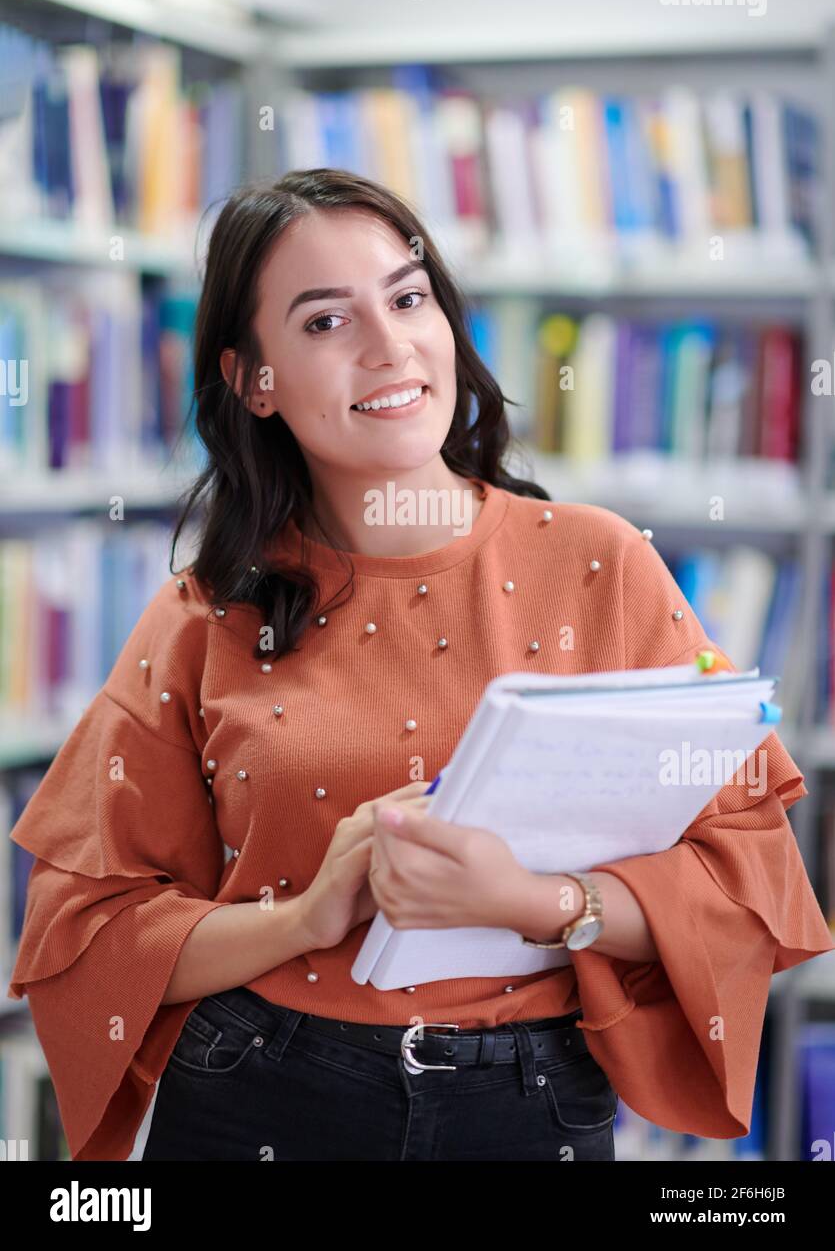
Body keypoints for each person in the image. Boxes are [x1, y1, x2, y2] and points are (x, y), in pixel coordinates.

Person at [8, 168, 833, 1162]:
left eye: (407, 298)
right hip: (255, 1093)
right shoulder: (204, 611)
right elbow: (85, 931)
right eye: (323, 322)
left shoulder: (599, 564)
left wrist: (538, 902)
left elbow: (746, 883)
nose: (389, 345)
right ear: (251, 380)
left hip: (525, 1105)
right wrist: (305, 915)